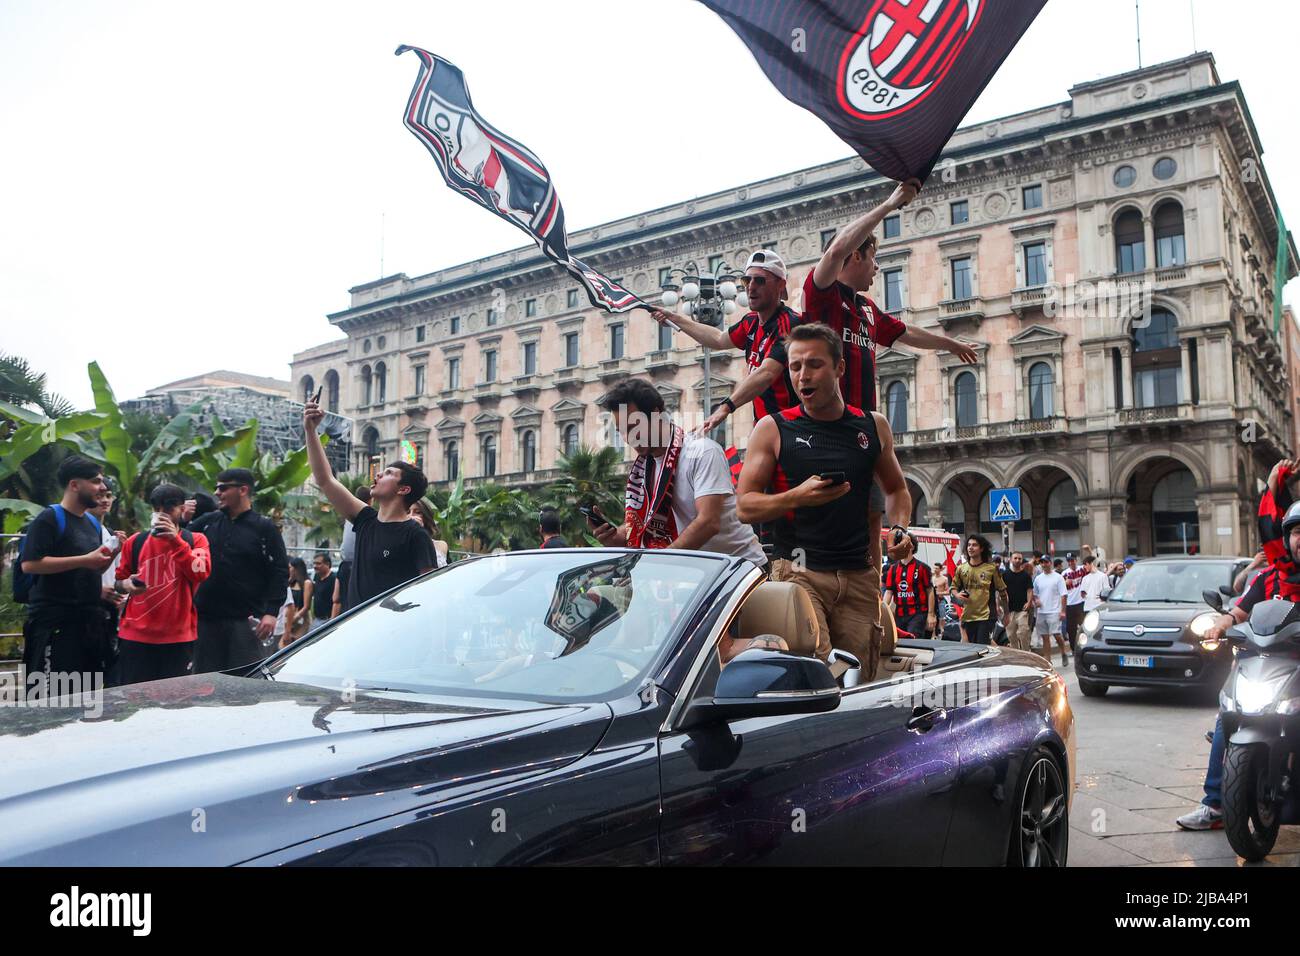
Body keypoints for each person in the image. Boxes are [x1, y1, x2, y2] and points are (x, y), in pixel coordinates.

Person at [798, 180, 978, 590]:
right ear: (857, 256)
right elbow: (834, 250)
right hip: (827, 430)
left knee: (872, 513)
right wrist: (893, 202)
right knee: (828, 517)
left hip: (865, 429)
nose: (877, 268)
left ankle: (870, 597)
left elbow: (906, 332)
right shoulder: (822, 295)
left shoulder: (865, 309)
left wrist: (948, 342)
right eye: (874, 258)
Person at [735, 323, 912, 676]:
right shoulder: (773, 428)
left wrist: (900, 530)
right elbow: (745, 505)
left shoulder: (872, 426)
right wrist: (796, 497)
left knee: (858, 681)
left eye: (814, 365)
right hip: (798, 571)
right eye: (795, 367)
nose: (802, 376)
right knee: (821, 675)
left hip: (859, 576)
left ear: (840, 368)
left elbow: (896, 490)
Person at [1178, 458, 1300, 830]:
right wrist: (1221, 623)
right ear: (1287, 538)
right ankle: (1216, 805)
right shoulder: (1269, 576)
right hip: (1267, 668)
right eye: (1296, 532)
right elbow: (1240, 611)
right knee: (1228, 716)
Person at [590, 378, 766, 568]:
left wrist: (664, 562)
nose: (628, 438)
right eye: (621, 432)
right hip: (698, 576)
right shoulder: (643, 468)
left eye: (633, 427)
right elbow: (640, 528)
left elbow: (709, 522)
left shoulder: (702, 451)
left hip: (742, 570)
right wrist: (611, 536)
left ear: (656, 414)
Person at [304, 400, 437, 607]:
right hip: (357, 627)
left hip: (393, 631)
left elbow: (429, 590)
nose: (379, 473)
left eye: (389, 473)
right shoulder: (365, 519)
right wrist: (311, 430)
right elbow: (325, 479)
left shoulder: (416, 535)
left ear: (403, 489)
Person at [657, 249, 799, 434]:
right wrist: (676, 319)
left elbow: (767, 373)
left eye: (760, 280)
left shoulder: (790, 324)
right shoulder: (750, 323)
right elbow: (718, 338)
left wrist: (724, 408)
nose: (751, 287)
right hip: (765, 429)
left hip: (791, 429)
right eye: (747, 280)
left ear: (781, 285)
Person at [17, 456, 116, 695]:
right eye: (95, 481)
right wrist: (85, 560)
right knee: (52, 700)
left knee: (86, 698)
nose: (102, 488)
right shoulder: (49, 519)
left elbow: (92, 568)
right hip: (55, 625)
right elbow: (30, 565)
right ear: (74, 485)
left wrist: (108, 558)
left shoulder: (92, 523)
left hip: (88, 625)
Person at [188, 468, 289, 674]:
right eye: (216, 488)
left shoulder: (264, 528)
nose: (217, 493)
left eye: (223, 488)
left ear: (243, 490)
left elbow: (279, 570)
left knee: (244, 686)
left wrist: (271, 612)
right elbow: (177, 543)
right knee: (204, 685)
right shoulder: (207, 523)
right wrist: (180, 519)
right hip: (206, 621)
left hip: (245, 622)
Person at [113, 483, 211, 684]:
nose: (162, 514)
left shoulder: (195, 540)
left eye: (168, 508)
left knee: (173, 702)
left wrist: (175, 540)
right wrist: (126, 586)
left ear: (182, 509)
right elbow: (118, 581)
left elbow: (201, 572)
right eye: (157, 509)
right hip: (135, 635)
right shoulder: (135, 541)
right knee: (133, 700)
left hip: (178, 636)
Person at [951, 535, 1008, 645]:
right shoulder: (961, 569)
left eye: (974, 545)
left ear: (982, 548)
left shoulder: (991, 569)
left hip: (986, 616)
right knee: (974, 646)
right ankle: (1002, 656)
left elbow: (1002, 592)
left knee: (982, 646)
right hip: (967, 616)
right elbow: (953, 588)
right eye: (969, 545)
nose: (970, 548)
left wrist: (1006, 614)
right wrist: (957, 595)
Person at [882, 532, 934, 639]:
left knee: (913, 641)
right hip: (899, 614)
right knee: (899, 641)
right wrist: (882, 611)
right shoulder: (893, 569)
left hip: (918, 613)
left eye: (904, 543)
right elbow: (888, 592)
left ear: (912, 546)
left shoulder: (922, 568)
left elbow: (930, 591)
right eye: (899, 544)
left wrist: (931, 614)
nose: (901, 546)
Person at [334, 484, 371, 614]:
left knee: (346, 604)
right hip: (357, 565)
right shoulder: (367, 515)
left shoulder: (349, 515)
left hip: (345, 565)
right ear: (370, 500)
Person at [1031, 554, 1070, 665]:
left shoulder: (1058, 577)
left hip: (1054, 611)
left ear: (1050, 563)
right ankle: (1048, 660)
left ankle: (1063, 652)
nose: (1044, 564)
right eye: (1042, 562)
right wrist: (1036, 600)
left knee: (1057, 635)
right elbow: (1034, 593)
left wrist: (1063, 611)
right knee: (1045, 637)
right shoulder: (1038, 579)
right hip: (1042, 611)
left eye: (1046, 562)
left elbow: (1064, 595)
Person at [1002, 552, 1034, 652]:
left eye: (1019, 559)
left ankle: (1026, 652)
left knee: (1023, 632)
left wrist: (1029, 602)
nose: (1017, 560)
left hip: (1022, 610)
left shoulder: (1026, 575)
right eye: (1015, 558)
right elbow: (1001, 591)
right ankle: (1017, 653)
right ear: (1011, 560)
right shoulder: (1005, 574)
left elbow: (1029, 590)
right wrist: (999, 605)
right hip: (1009, 610)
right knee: (1011, 635)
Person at [407, 498, 450, 567]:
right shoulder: (400, 545)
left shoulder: (442, 545)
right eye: (407, 512)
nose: (412, 516)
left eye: (417, 512)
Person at [306, 552, 337, 632]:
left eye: (318, 563)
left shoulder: (333, 579)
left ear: (327, 564)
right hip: (317, 620)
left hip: (328, 620)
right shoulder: (317, 576)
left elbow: (337, 601)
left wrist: (332, 621)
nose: (315, 566)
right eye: (314, 563)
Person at [1062, 552, 1087, 651]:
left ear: (1076, 560)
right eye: (1069, 561)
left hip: (1081, 602)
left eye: (1072, 560)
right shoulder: (1064, 573)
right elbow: (1059, 588)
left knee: (1085, 626)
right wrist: (1065, 583)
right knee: (1071, 629)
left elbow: (1092, 566)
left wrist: (1088, 551)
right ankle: (1073, 649)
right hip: (1070, 604)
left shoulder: (1082, 569)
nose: (1071, 562)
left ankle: (1085, 646)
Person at [286, 557, 309, 641]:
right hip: (290, 620)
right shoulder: (291, 582)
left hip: (301, 620)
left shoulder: (306, 583)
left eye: (290, 567)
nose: (288, 569)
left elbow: (306, 607)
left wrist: (293, 619)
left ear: (296, 568)